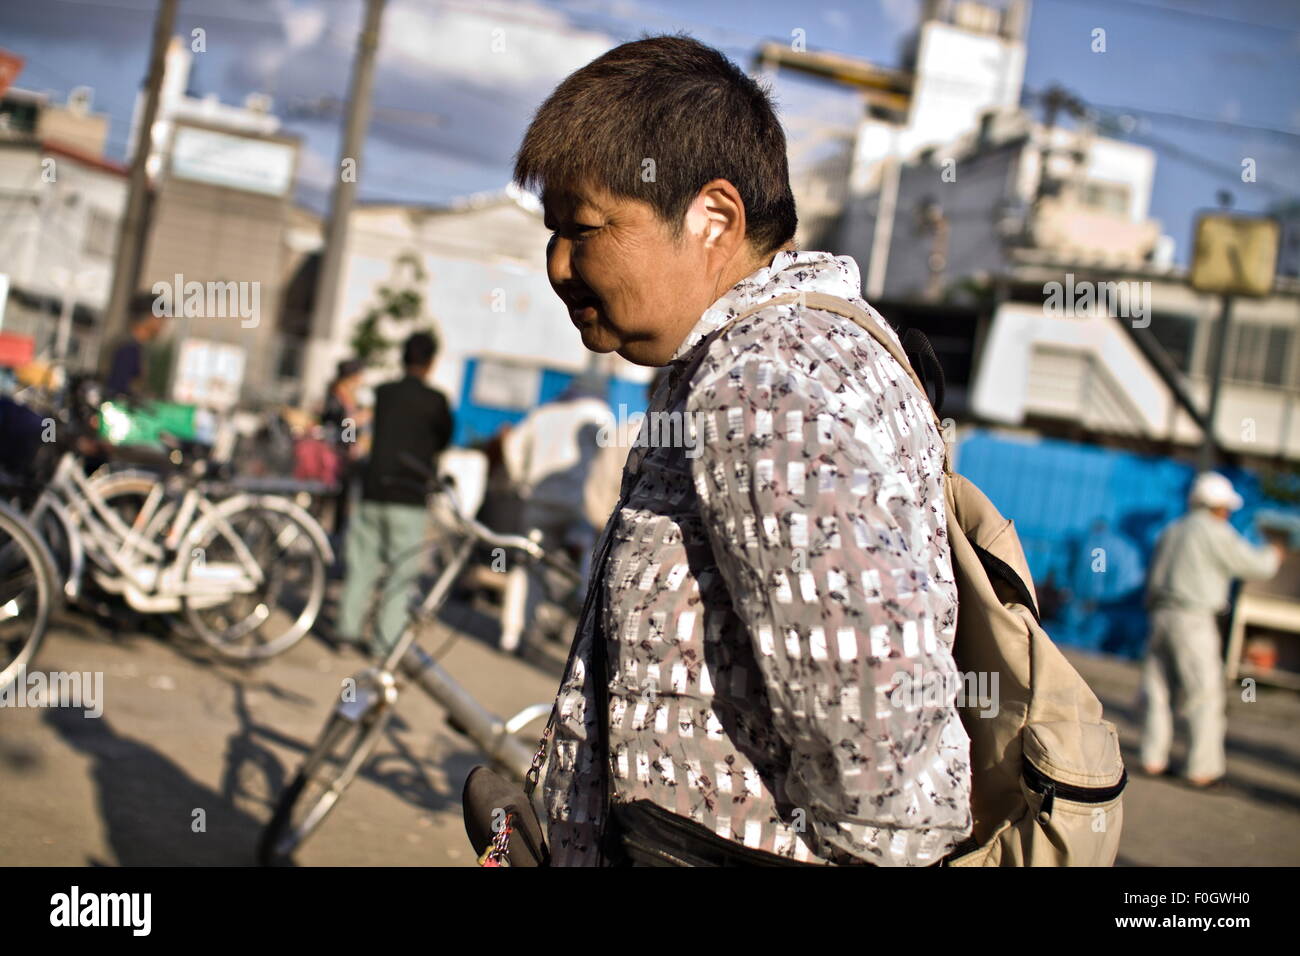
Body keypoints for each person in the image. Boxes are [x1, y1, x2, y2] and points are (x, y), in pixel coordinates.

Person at [516, 35, 970, 866]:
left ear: (713, 218)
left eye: (580, 229)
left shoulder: (759, 382)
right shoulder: (789, 352)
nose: (557, 264)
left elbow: (881, 740)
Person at [1140, 472, 1284, 788]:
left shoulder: (1172, 530)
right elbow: (1255, 566)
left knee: (1158, 691)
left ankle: (1152, 758)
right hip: (1193, 619)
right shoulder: (1215, 532)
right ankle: (1200, 770)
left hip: (1160, 616)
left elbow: (1152, 576)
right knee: (1203, 694)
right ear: (1218, 506)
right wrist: (1275, 551)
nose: (1228, 513)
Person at [336, 332, 453, 658]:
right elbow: (444, 439)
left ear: (402, 357)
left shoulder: (384, 393)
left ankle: (346, 631)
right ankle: (384, 643)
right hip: (410, 495)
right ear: (431, 362)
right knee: (401, 573)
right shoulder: (436, 401)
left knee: (362, 564)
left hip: (374, 489)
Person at [498, 377, 615, 653]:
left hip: (539, 500)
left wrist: (522, 479)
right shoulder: (599, 414)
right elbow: (609, 460)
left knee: (527, 565)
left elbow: (512, 445)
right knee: (589, 557)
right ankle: (579, 616)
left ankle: (512, 634)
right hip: (577, 503)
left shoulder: (543, 413)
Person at [321, 358, 371, 539]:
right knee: (332, 501)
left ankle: (336, 535)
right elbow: (334, 426)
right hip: (334, 457)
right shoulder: (337, 397)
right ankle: (331, 538)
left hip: (346, 456)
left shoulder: (350, 399)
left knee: (343, 502)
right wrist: (356, 421)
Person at [104, 312, 164, 399]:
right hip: (117, 401)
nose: (161, 326)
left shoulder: (137, 347)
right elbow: (120, 383)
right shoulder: (128, 348)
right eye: (161, 320)